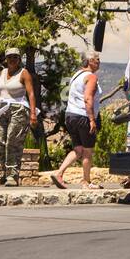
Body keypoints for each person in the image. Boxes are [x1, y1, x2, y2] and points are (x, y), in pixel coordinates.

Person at [46, 51, 102, 189]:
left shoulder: (76, 76)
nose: (99, 61)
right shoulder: (91, 77)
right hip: (83, 116)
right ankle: (86, 182)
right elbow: (88, 98)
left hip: (70, 115)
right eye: (97, 59)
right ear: (89, 61)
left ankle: (59, 173)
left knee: (78, 149)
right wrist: (92, 119)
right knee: (88, 151)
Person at [0, 47, 37, 187]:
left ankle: (12, 176)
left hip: (19, 109)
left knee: (13, 140)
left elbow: (31, 94)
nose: (12, 59)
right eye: (10, 57)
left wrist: (33, 114)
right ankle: (7, 170)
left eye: (15, 57)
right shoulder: (3, 72)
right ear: (6, 59)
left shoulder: (24, 73)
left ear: (19, 59)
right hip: (2, 108)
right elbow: (1, 91)